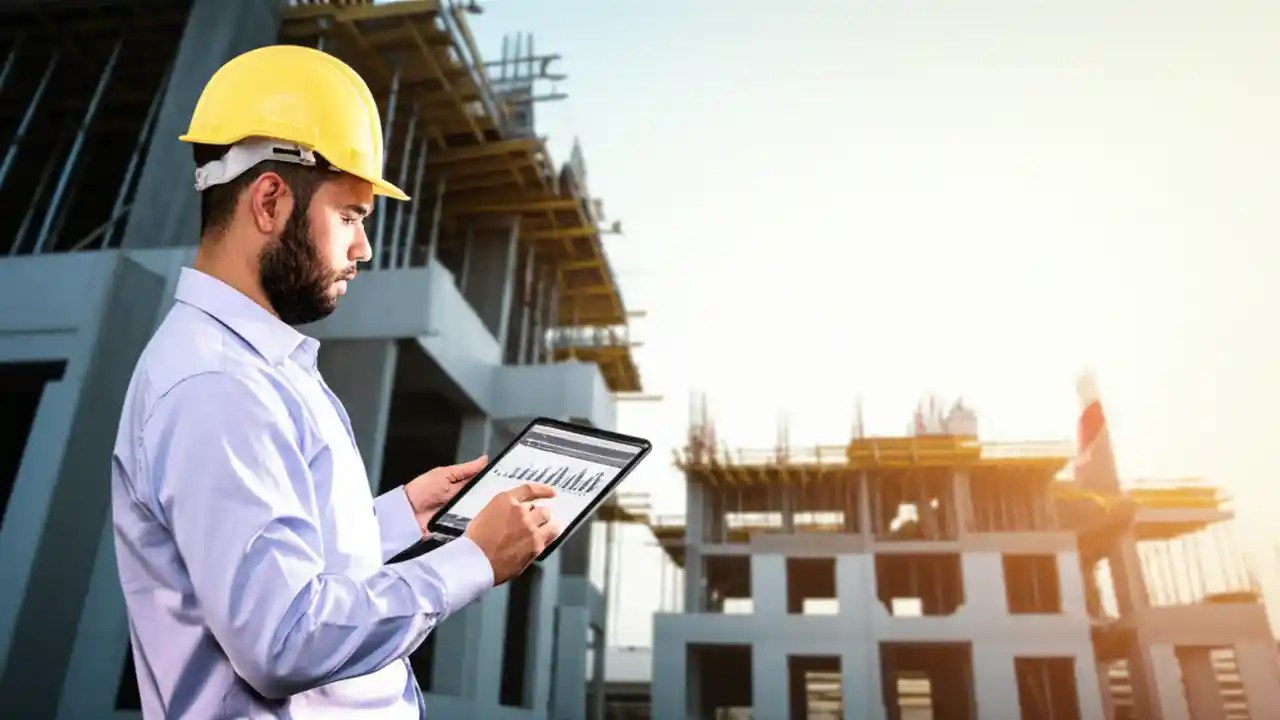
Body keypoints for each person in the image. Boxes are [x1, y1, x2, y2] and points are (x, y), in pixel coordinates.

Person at [110, 44, 559, 718]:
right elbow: (284, 639)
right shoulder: (216, 386)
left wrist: (404, 514)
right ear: (269, 201)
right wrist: (471, 560)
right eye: (350, 216)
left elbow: (279, 560)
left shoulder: (254, 368)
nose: (364, 249)